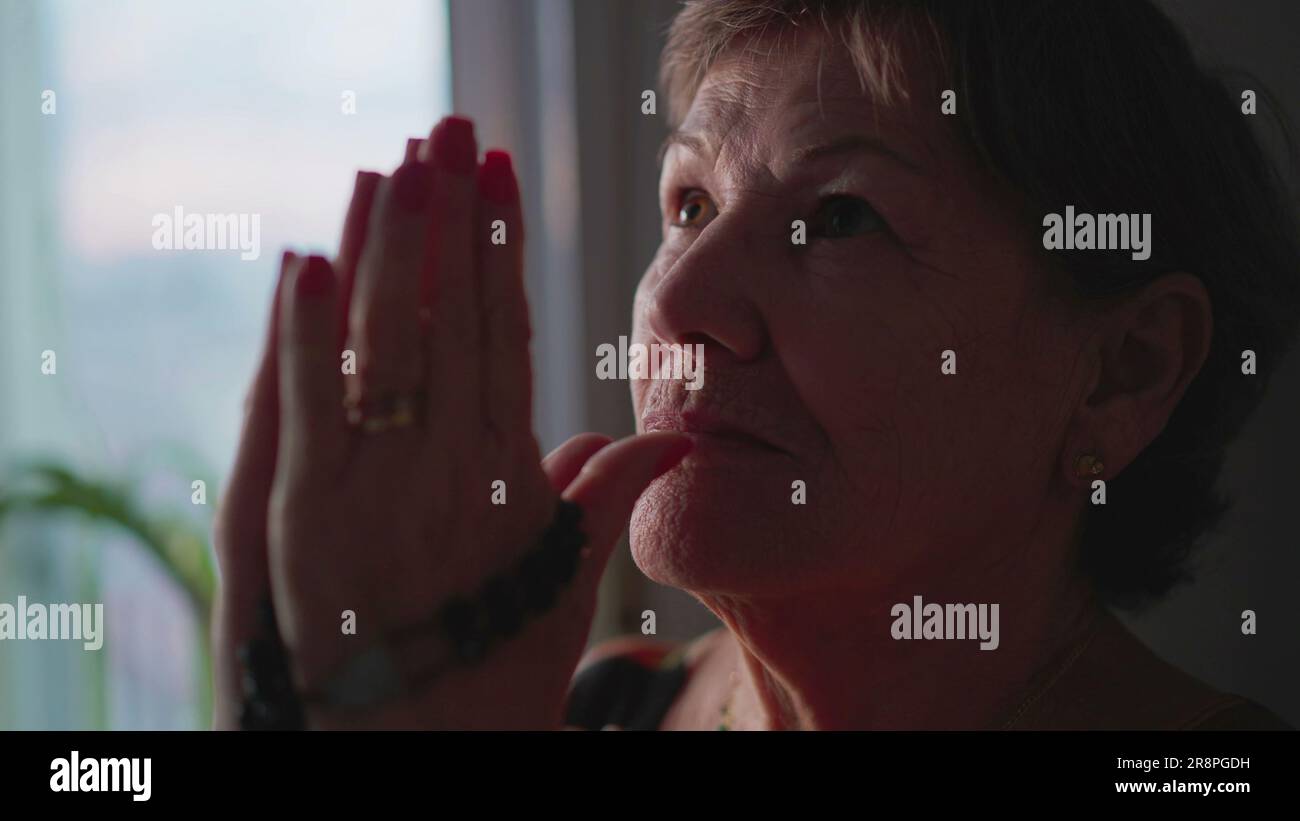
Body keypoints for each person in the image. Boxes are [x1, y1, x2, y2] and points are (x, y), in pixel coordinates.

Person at [213, 0, 1300, 730]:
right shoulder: (583, 708)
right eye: (689, 204)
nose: (680, 302)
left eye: (838, 217)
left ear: (1122, 371)